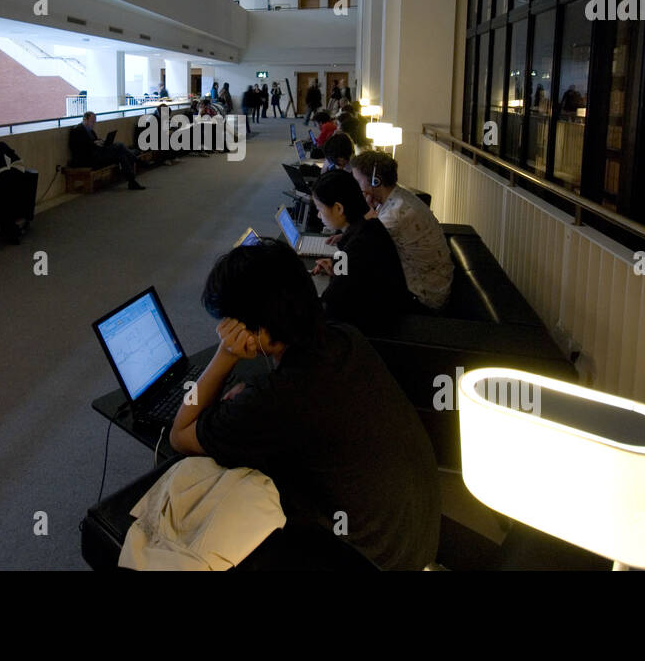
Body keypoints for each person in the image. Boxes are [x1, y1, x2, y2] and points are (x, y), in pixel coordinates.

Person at [168, 239, 441, 571]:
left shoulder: (276, 400)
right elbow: (301, 401)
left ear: (253, 330)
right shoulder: (344, 337)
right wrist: (253, 393)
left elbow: (180, 434)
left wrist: (225, 354)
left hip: (368, 559)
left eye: (228, 325)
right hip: (414, 536)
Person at [308, 169, 410, 339]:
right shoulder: (368, 227)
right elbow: (349, 270)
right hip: (383, 313)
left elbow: (330, 301)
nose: (318, 215)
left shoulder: (359, 244)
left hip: (375, 331)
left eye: (320, 208)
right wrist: (335, 266)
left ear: (338, 208)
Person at [350, 151, 454, 312]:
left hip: (424, 298)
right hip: (431, 287)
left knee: (350, 294)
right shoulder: (398, 197)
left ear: (376, 181)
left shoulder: (395, 213)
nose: (356, 187)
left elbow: (360, 251)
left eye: (357, 181)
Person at [67, 111, 145, 190]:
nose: (93, 124)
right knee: (119, 145)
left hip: (97, 154)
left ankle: (132, 182)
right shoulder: (77, 130)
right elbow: (80, 148)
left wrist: (100, 142)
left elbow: (93, 141)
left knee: (121, 155)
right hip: (88, 159)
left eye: (94, 122)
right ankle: (137, 160)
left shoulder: (90, 131)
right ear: (85, 120)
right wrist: (94, 144)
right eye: (92, 121)